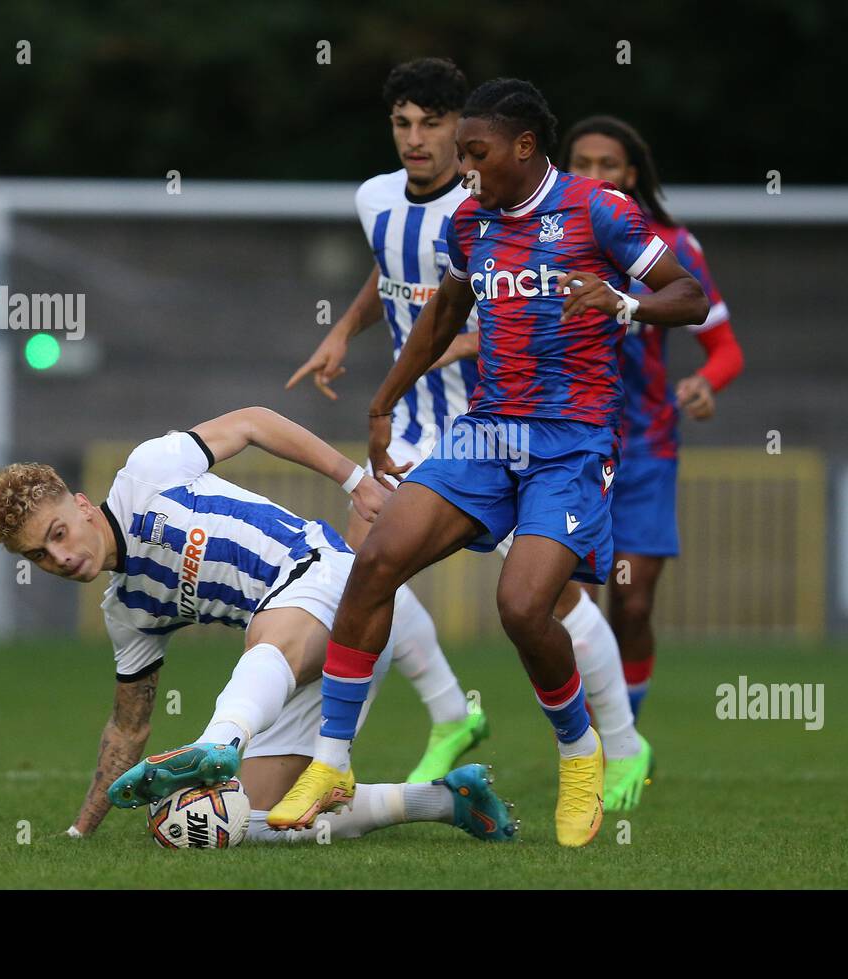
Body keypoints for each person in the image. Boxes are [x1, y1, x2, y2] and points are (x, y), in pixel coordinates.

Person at [270, 78, 708, 847]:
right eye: (461, 153)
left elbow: (690, 294)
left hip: (571, 444)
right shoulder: (473, 222)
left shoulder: (597, 210)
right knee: (375, 562)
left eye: (477, 152)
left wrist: (623, 303)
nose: (465, 168)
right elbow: (444, 313)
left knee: (522, 606)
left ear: (525, 147)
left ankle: (581, 750)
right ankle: (333, 758)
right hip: (485, 433)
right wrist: (383, 403)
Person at [0, 406, 515, 843]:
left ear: (82, 505)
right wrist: (81, 830)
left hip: (329, 578)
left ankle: (215, 741)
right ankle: (443, 802)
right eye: (38, 555)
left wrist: (354, 480)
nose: (57, 557)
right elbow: (128, 728)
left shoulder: (147, 472)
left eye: (57, 533)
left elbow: (253, 421)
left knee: (265, 635)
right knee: (238, 824)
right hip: (297, 667)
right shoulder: (126, 610)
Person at [562, 115, 743, 724]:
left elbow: (726, 349)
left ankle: (627, 733)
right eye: (581, 164)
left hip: (645, 452)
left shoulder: (668, 245)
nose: (594, 176)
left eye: (607, 165)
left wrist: (702, 384)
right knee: (573, 607)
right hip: (574, 448)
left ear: (631, 174)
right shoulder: (547, 239)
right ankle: (587, 745)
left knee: (632, 607)